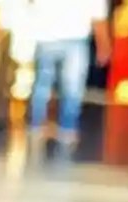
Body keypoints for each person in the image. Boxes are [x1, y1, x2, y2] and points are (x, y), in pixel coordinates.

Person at [25, 0, 112, 145]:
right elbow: (98, 17)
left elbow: (31, 6)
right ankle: (67, 127)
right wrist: (104, 44)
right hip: (75, 38)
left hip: (46, 36)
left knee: (42, 84)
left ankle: (37, 125)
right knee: (73, 86)